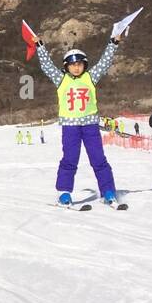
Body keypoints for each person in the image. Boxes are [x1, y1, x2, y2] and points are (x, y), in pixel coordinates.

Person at [32, 29, 126, 207]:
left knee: (98, 159)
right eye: (72, 64)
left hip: (90, 126)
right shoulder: (61, 79)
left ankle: (108, 192)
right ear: (66, 66)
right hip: (70, 127)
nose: (76, 67)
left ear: (85, 65)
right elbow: (46, 66)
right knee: (69, 160)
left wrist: (113, 43)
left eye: (80, 64)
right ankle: (64, 194)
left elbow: (105, 63)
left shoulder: (91, 77)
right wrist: (40, 46)